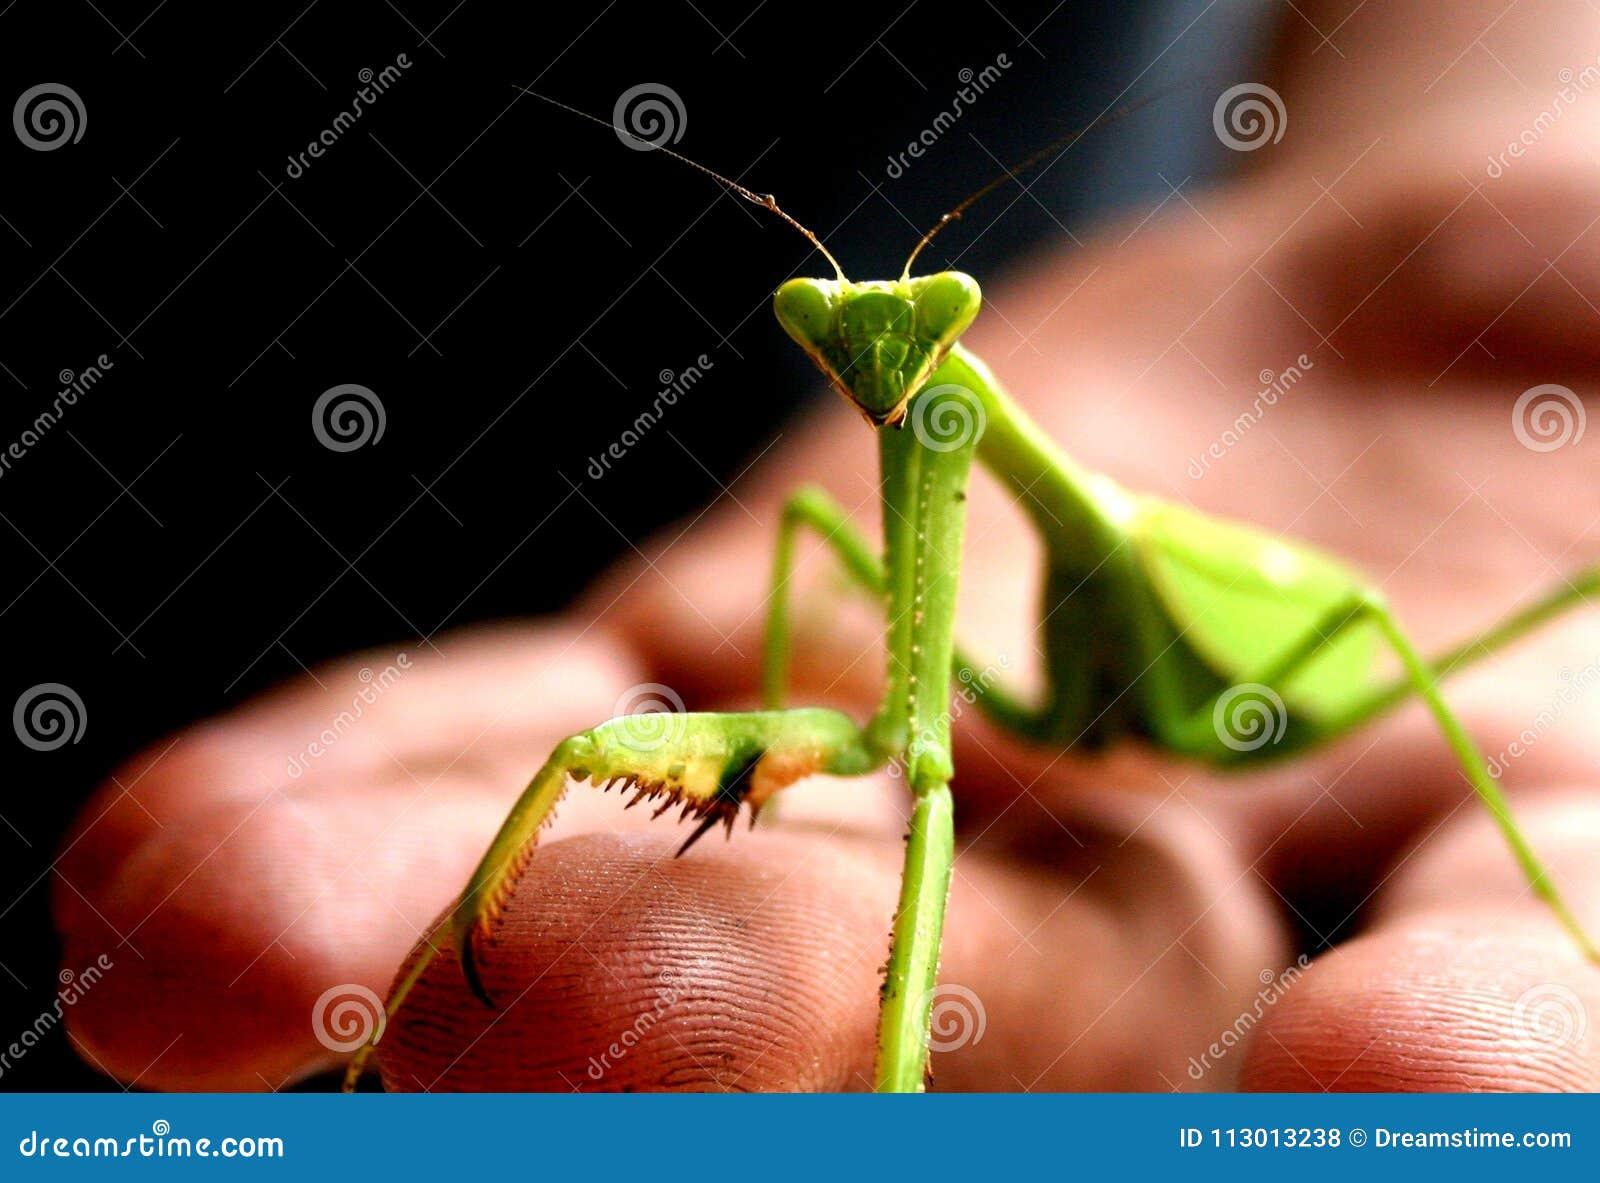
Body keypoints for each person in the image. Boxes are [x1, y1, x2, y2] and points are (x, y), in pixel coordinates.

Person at [56, 1, 1600, 1090]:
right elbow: (883, 686)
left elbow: (920, 768)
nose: (871, 372)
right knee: (795, 543)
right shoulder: (868, 463)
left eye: (910, 347)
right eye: (833, 336)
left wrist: (1502, 118)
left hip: (1262, 667)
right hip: (254, 641)